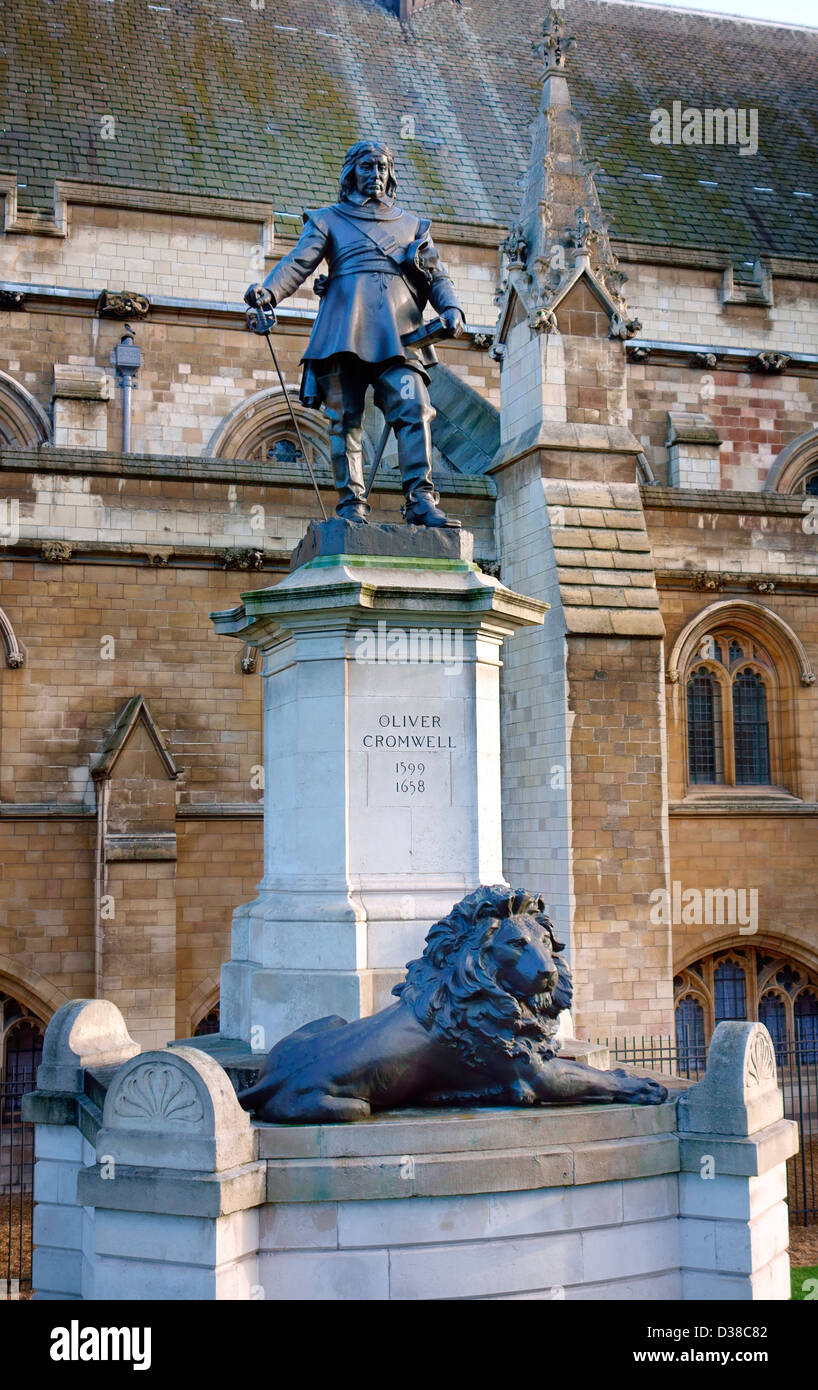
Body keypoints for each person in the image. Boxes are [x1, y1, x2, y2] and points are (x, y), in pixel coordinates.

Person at [244, 139, 465, 526]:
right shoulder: (329, 219)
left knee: (414, 408)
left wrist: (451, 308)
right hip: (342, 334)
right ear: (352, 173)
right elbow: (298, 264)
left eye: (382, 167)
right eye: (367, 167)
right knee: (344, 419)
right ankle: (351, 505)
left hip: (399, 335)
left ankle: (420, 501)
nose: (375, 174)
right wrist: (269, 292)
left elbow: (436, 275)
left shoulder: (413, 226)